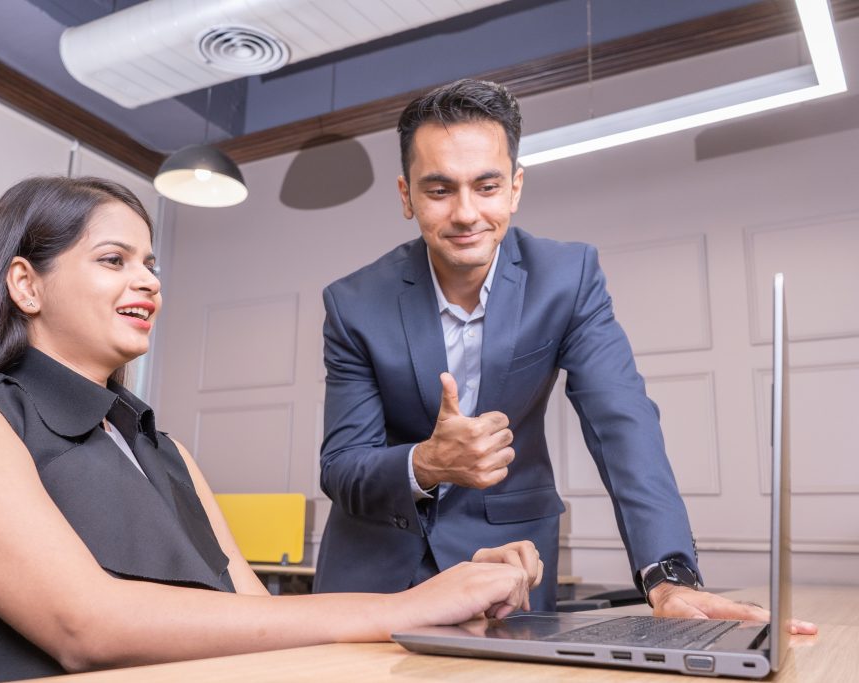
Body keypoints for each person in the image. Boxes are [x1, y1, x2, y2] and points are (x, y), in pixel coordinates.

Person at [0, 176, 545, 682]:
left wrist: (443, 597)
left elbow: (256, 620)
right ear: (26, 285)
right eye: (114, 260)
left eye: (151, 264)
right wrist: (404, 607)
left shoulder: (164, 449)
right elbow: (85, 625)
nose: (149, 281)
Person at [313, 79, 816, 631]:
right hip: (372, 570)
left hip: (507, 570)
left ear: (514, 188)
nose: (466, 213)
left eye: (486, 186)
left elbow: (622, 422)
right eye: (439, 190)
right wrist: (427, 462)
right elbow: (342, 465)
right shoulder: (353, 304)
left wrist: (668, 574)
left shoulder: (567, 279)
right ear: (407, 196)